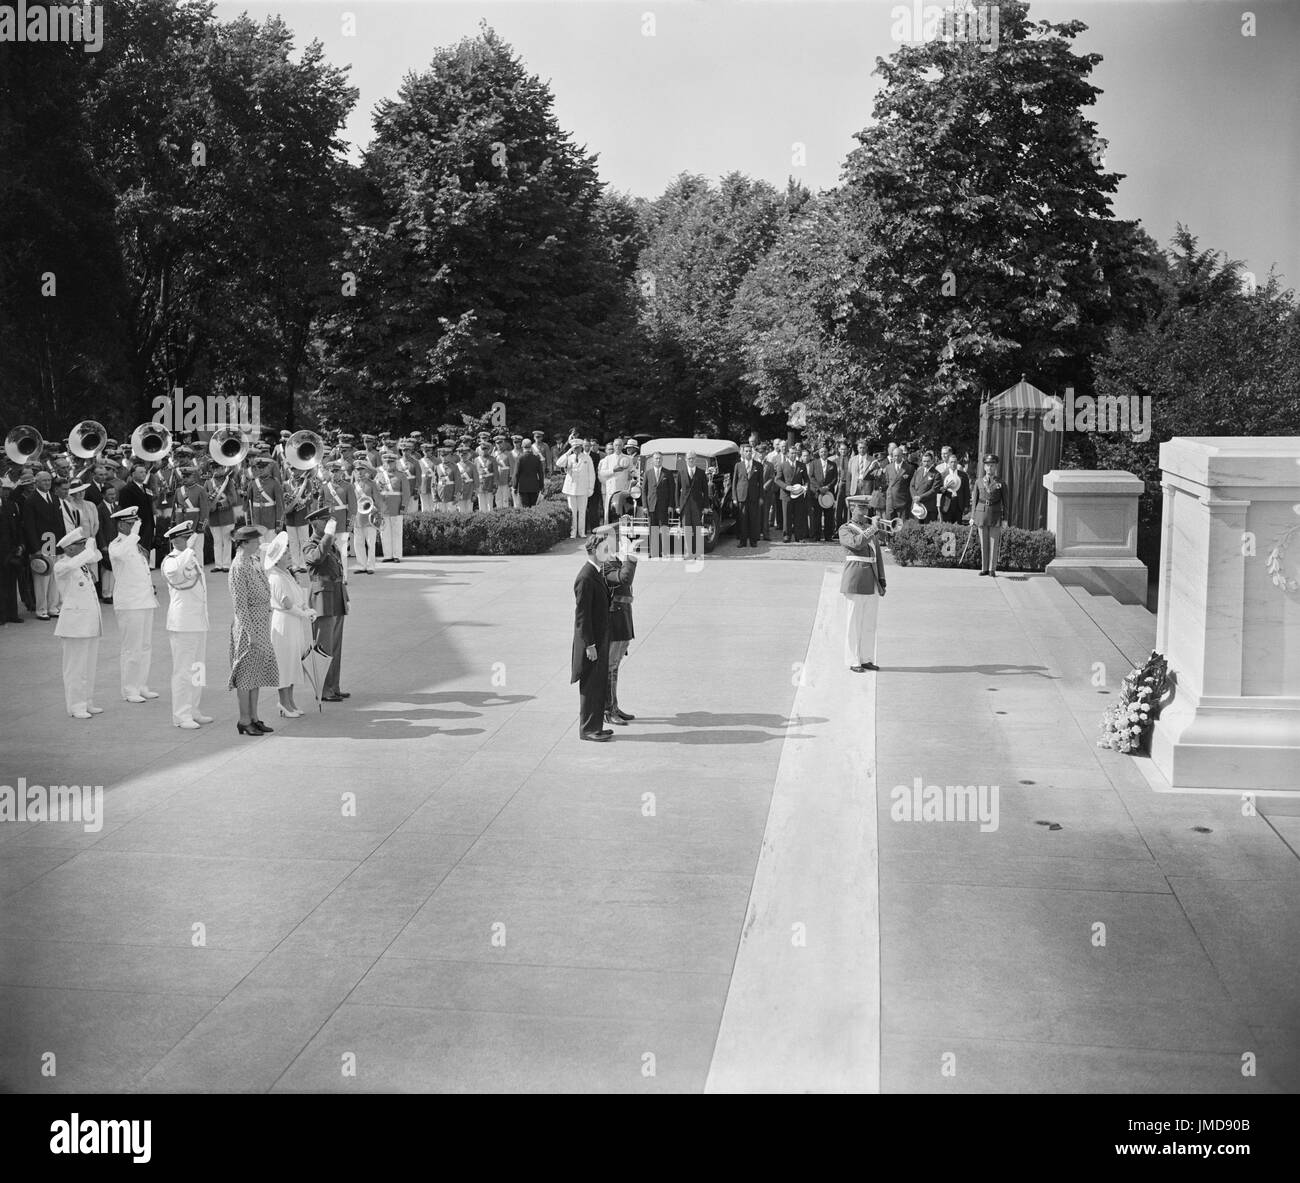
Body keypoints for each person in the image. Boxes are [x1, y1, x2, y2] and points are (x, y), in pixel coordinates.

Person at [161, 521, 213, 729]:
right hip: (182, 624)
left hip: (198, 621)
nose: (191, 539)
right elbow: (174, 574)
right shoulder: (171, 560)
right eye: (186, 537)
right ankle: (181, 715)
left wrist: (189, 551)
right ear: (176, 540)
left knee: (198, 668)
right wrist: (188, 549)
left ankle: (194, 709)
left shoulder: (189, 557)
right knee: (183, 671)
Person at [228, 525, 279, 735]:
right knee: (245, 676)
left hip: (261, 622)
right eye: (256, 541)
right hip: (249, 627)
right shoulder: (239, 565)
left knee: (255, 674)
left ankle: (255, 717)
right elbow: (240, 605)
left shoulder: (253, 561)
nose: (259, 544)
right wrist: (250, 634)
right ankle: (244, 719)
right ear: (244, 543)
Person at [107, 506, 159, 703]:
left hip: (144, 600)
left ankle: (141, 685)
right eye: (131, 523)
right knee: (132, 648)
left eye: (135, 523)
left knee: (145, 646)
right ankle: (129, 689)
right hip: (129, 603)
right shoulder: (118, 544)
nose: (135, 526)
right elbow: (120, 554)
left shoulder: (134, 544)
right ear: (121, 524)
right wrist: (134, 534)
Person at [53, 527, 104, 717]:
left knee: (88, 666)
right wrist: (89, 549)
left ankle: (87, 701)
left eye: (83, 544)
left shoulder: (81, 564)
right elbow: (83, 558)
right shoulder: (62, 566)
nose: (84, 547)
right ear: (69, 549)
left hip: (89, 623)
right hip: (74, 625)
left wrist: (90, 549)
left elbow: (96, 556)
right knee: (75, 667)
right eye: (80, 545)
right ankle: (76, 705)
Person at [264, 531, 314, 718]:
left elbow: (297, 597)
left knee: (293, 662)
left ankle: (290, 701)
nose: (289, 554)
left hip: (293, 622)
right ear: (277, 560)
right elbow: (286, 604)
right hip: (284, 624)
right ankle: (283, 702)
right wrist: (303, 613)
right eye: (285, 553)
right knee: (284, 664)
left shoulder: (286, 574)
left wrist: (306, 609)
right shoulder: (275, 577)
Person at [571, 526, 613, 741]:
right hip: (592, 643)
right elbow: (582, 617)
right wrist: (590, 645)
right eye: (605, 549)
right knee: (590, 686)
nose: (609, 553)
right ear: (595, 550)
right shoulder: (586, 578)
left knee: (598, 686)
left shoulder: (596, 573)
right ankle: (587, 729)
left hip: (599, 639)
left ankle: (595, 726)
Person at [304, 509, 350, 702]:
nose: (329, 523)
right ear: (315, 524)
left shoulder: (328, 543)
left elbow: (338, 570)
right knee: (324, 647)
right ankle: (324, 690)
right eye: (325, 521)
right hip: (322, 599)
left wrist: (345, 597)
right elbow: (316, 558)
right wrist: (329, 536)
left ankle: (333, 686)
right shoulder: (310, 544)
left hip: (336, 596)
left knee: (336, 647)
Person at [839, 498, 887, 672]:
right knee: (854, 622)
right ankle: (853, 660)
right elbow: (856, 544)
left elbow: (878, 556)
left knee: (869, 622)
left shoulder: (869, 529)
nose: (865, 512)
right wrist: (874, 528)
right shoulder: (845, 529)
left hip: (871, 579)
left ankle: (866, 657)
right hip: (855, 578)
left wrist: (881, 579)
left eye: (866, 508)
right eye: (861, 508)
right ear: (852, 508)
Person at [602, 521, 641, 727]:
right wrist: (631, 557)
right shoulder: (605, 564)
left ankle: (614, 706)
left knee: (614, 668)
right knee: (610, 668)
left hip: (623, 621)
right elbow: (624, 579)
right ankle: (608, 710)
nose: (620, 541)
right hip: (615, 623)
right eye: (616, 538)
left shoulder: (614, 560)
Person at [21, 469, 64, 618]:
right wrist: (35, 548)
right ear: (36, 482)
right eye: (44, 480)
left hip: (55, 542)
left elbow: (59, 522)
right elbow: (29, 526)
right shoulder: (31, 500)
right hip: (42, 543)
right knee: (42, 578)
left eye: (49, 480)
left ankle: (53, 607)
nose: (47, 483)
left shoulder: (54, 497)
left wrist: (62, 543)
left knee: (54, 577)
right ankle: (41, 609)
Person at [971, 452, 1008, 577]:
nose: (989, 468)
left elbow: (1006, 502)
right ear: (984, 467)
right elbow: (974, 500)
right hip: (981, 514)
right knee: (984, 544)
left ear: (996, 467)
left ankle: (992, 569)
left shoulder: (1001, 483)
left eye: (992, 465)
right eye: (987, 465)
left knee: (994, 543)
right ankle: (984, 568)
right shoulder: (978, 482)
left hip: (995, 515)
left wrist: (1005, 519)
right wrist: (972, 517)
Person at [321, 462, 356, 583]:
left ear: (341, 472)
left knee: (342, 552)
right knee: (328, 552)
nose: (335, 474)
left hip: (341, 523)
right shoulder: (325, 487)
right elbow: (320, 506)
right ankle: (332, 575)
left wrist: (350, 523)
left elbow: (353, 507)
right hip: (328, 524)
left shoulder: (348, 486)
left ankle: (344, 576)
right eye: (333, 471)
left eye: (337, 471)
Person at [556, 437, 596, 539]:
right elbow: (558, 463)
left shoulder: (587, 458)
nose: (576, 450)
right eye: (574, 448)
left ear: (581, 448)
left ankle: (581, 532)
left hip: (583, 488)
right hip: (571, 488)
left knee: (582, 511)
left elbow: (592, 474)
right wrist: (568, 452)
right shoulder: (569, 457)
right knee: (572, 511)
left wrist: (591, 488)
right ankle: (573, 532)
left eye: (578, 448)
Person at [375, 451, 408, 563]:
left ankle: (397, 555)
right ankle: (387, 555)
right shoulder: (379, 476)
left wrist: (403, 508)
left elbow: (406, 494)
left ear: (395, 463)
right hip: (383, 509)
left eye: (391, 462)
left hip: (397, 508)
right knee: (384, 533)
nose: (389, 464)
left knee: (397, 532)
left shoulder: (401, 475)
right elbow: (376, 493)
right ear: (384, 463)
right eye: (387, 462)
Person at [0, 475, 24, 624]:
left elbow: (18, 526)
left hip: (11, 550)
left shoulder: (10, 504)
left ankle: (11, 614)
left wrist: (21, 545)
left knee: (11, 582)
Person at [207, 462, 239, 572]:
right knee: (216, 541)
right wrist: (210, 502)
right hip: (214, 517)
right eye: (214, 468)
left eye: (219, 468)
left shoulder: (228, 481)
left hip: (227, 515)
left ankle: (226, 565)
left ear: (222, 468)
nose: (216, 470)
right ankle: (218, 565)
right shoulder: (208, 482)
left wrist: (223, 502)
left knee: (227, 541)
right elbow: (205, 498)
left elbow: (234, 498)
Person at [677, 450, 709, 560]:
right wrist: (677, 506)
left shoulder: (701, 472)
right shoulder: (681, 472)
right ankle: (688, 553)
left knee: (697, 528)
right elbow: (677, 490)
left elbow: (705, 490)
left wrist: (706, 506)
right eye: (689, 458)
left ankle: (698, 553)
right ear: (686, 459)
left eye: (693, 458)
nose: (691, 460)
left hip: (697, 504)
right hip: (685, 505)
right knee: (687, 528)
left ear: (696, 459)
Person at [732, 442, 764, 548]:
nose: (748, 453)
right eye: (746, 451)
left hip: (754, 497)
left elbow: (761, 483)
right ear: (743, 453)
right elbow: (734, 483)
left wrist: (761, 497)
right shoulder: (738, 465)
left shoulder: (758, 465)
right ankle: (742, 541)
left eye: (750, 451)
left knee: (753, 520)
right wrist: (734, 498)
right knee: (742, 519)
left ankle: (753, 541)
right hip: (741, 496)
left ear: (752, 452)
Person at [643, 449, 674, 558]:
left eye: (660, 458)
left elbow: (672, 491)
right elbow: (644, 491)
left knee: (664, 529)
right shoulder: (648, 473)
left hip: (664, 506)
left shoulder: (668, 473)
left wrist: (671, 505)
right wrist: (645, 506)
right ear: (652, 460)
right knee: (653, 529)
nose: (658, 460)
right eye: (656, 458)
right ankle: (654, 552)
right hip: (651, 506)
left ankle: (664, 552)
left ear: (662, 460)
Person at [909, 450, 943, 522]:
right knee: (916, 529)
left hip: (928, 507)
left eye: (928, 461)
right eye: (924, 461)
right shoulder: (918, 471)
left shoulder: (936, 474)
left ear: (932, 461)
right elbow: (912, 486)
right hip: (916, 506)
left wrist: (920, 497)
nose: (926, 463)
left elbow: (934, 490)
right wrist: (914, 497)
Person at [514, 438, 545, 507]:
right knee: (534, 507)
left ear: (522, 446)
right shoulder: (536, 458)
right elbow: (541, 474)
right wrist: (541, 486)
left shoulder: (520, 458)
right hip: (534, 486)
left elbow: (516, 474)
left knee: (525, 508)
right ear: (531, 447)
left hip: (523, 487)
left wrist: (515, 486)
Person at [939, 455, 970, 523]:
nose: (953, 464)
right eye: (951, 462)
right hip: (946, 505)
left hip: (959, 504)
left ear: (957, 463)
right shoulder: (942, 475)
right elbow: (938, 491)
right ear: (948, 463)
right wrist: (945, 487)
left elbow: (967, 492)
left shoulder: (963, 475)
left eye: (955, 462)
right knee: (946, 527)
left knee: (958, 526)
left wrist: (967, 506)